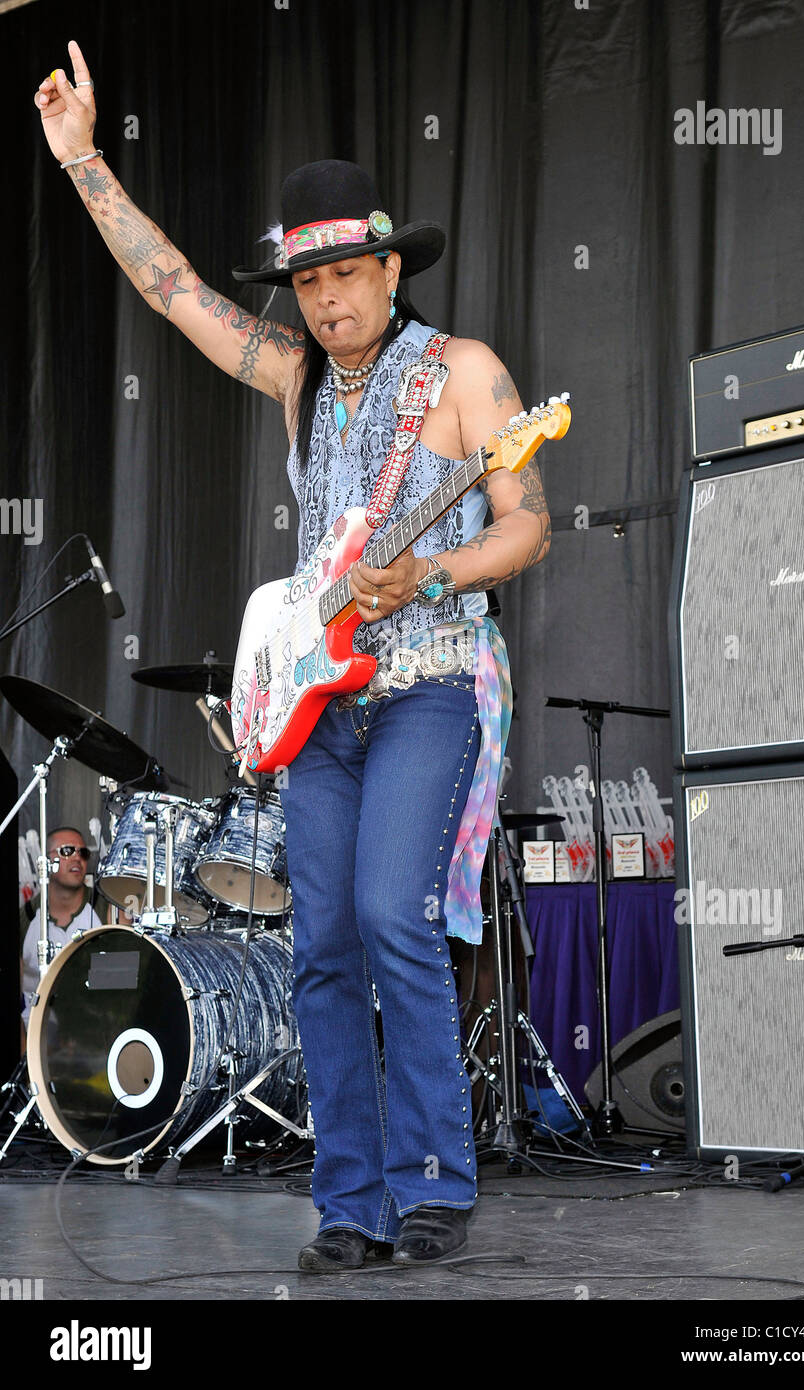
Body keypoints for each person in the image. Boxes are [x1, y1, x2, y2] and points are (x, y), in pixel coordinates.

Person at [34, 41, 552, 1271]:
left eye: (343, 274)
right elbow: (170, 291)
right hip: (323, 708)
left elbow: (524, 523)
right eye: (304, 279)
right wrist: (82, 161)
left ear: (388, 267)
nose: (323, 300)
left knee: (390, 914)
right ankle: (350, 1201)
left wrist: (427, 568)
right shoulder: (296, 384)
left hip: (428, 689)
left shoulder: (465, 373)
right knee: (315, 939)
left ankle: (435, 1178)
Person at [20, 826, 100, 1026]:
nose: (77, 858)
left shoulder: (106, 908)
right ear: (45, 862)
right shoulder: (25, 919)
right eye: (67, 851)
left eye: (83, 852)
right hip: (37, 1036)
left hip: (95, 1033)